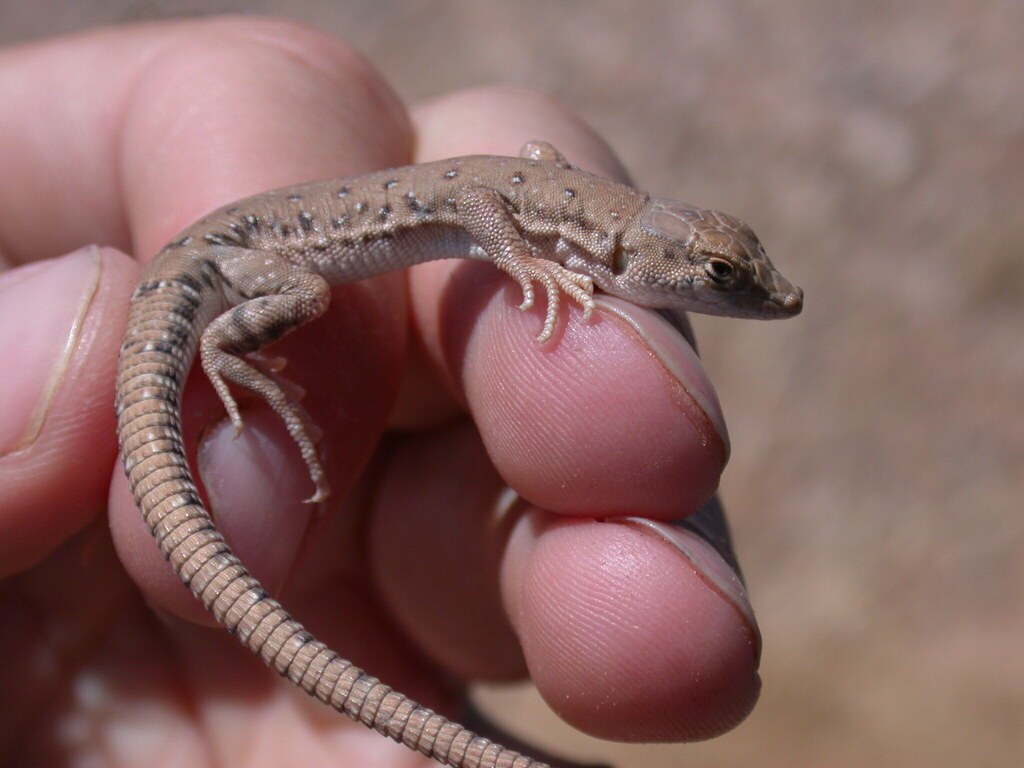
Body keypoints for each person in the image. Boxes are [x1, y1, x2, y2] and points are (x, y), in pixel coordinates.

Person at [0, 16, 761, 765]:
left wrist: (525, 250)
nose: (742, 293)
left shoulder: (564, 206)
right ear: (636, 252)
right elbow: (473, 202)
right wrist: (520, 260)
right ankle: (223, 348)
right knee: (306, 298)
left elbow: (535, 156)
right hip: (227, 267)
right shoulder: (547, 223)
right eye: (720, 277)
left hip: (219, 255)